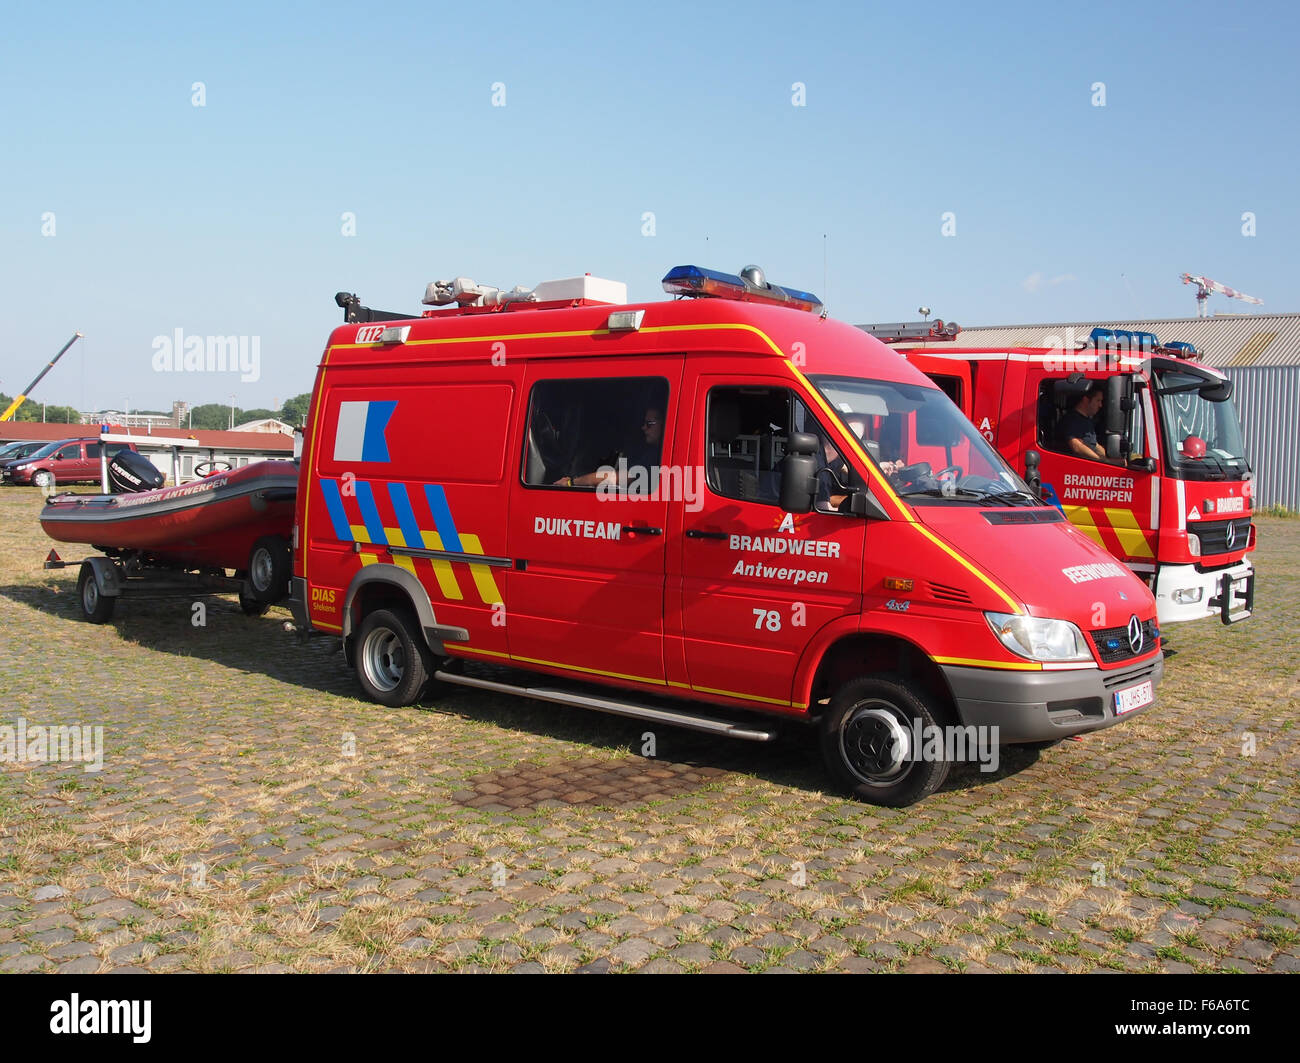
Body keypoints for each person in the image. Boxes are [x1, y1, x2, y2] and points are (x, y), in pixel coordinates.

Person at [554, 407, 663, 487]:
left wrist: (571, 482)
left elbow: (616, 478)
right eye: (644, 423)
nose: (644, 428)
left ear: (663, 424)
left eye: (649, 423)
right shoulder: (652, 453)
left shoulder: (654, 456)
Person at [1056, 382, 1111, 461]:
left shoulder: (1087, 420)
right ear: (1085, 400)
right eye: (1098, 400)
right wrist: (1102, 461)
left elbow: (1095, 445)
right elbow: (1077, 447)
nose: (1100, 405)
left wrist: (1111, 460)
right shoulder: (1072, 420)